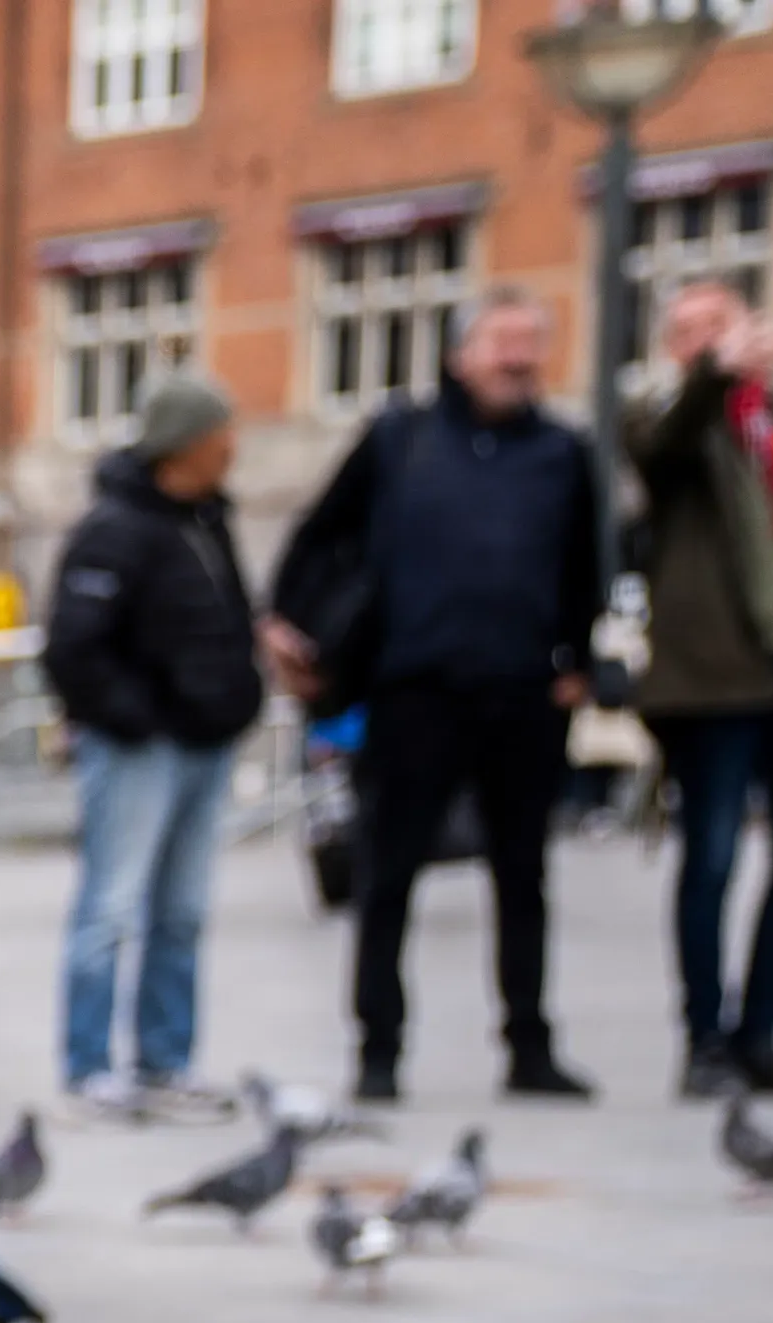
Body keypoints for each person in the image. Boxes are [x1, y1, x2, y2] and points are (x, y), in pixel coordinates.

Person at [267, 291, 606, 1102]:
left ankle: (530, 1046)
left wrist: (579, 658)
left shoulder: (563, 452)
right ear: (460, 354)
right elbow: (318, 536)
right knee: (387, 879)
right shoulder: (399, 438)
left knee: (522, 878)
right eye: (503, 342)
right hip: (413, 692)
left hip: (523, 694)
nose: (518, 358)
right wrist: (283, 622)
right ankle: (377, 1050)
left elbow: (588, 564)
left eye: (532, 343)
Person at [40, 372, 263, 1123]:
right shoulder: (115, 529)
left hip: (205, 742)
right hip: (142, 747)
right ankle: (89, 1066)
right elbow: (73, 648)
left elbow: (228, 620)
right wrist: (135, 717)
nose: (233, 447)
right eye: (221, 434)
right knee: (111, 905)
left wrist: (238, 698)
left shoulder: (207, 521)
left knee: (183, 909)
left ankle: (166, 1061)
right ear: (186, 444)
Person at [625, 278, 773, 1098]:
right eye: (690, 331)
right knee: (714, 855)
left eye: (722, 326)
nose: (708, 341)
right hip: (717, 672)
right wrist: (714, 379)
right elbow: (661, 451)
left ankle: (761, 1030)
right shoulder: (665, 413)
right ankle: (704, 1040)